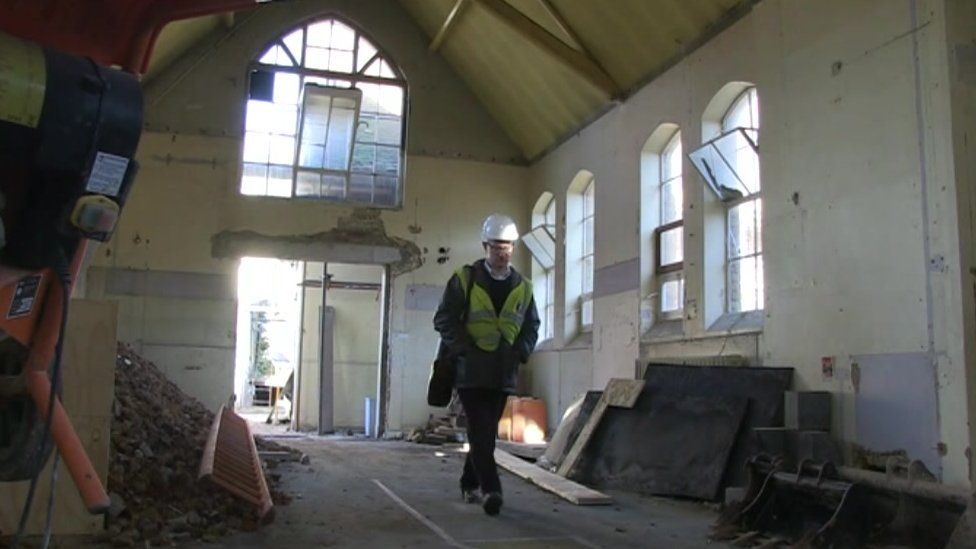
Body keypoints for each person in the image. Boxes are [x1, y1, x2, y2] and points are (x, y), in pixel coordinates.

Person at [433, 213, 540, 516]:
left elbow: (532, 326)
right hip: (469, 370)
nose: (501, 252)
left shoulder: (524, 286)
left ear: (513, 248)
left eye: (506, 246)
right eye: (495, 246)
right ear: (485, 246)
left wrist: (520, 352)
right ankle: (492, 490)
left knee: (485, 432)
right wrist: (465, 348)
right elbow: (443, 318)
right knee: (481, 429)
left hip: (502, 371)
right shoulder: (464, 279)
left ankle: (469, 482)